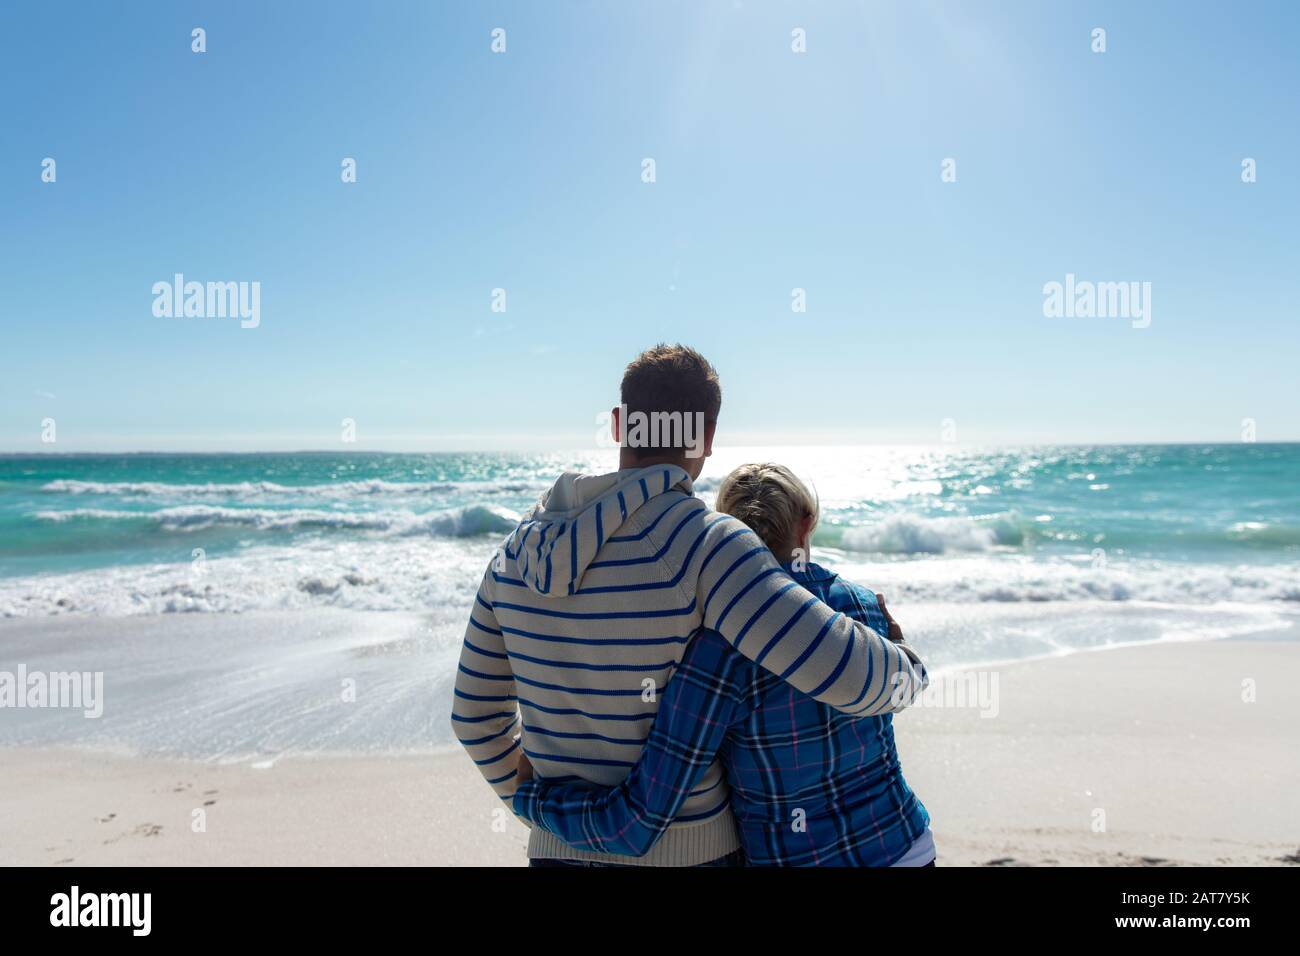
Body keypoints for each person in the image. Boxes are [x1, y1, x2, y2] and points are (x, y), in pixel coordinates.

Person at [451, 345, 925, 867]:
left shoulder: (514, 555)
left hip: (554, 853)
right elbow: (849, 676)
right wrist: (904, 659)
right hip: (690, 856)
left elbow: (474, 717)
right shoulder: (707, 545)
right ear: (707, 438)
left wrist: (538, 810)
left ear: (617, 425)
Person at [512, 463, 933, 866]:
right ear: (806, 524)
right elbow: (907, 683)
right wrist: (901, 642)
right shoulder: (864, 605)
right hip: (904, 844)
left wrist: (533, 800)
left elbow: (639, 820)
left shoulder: (719, 646)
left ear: (729, 534)